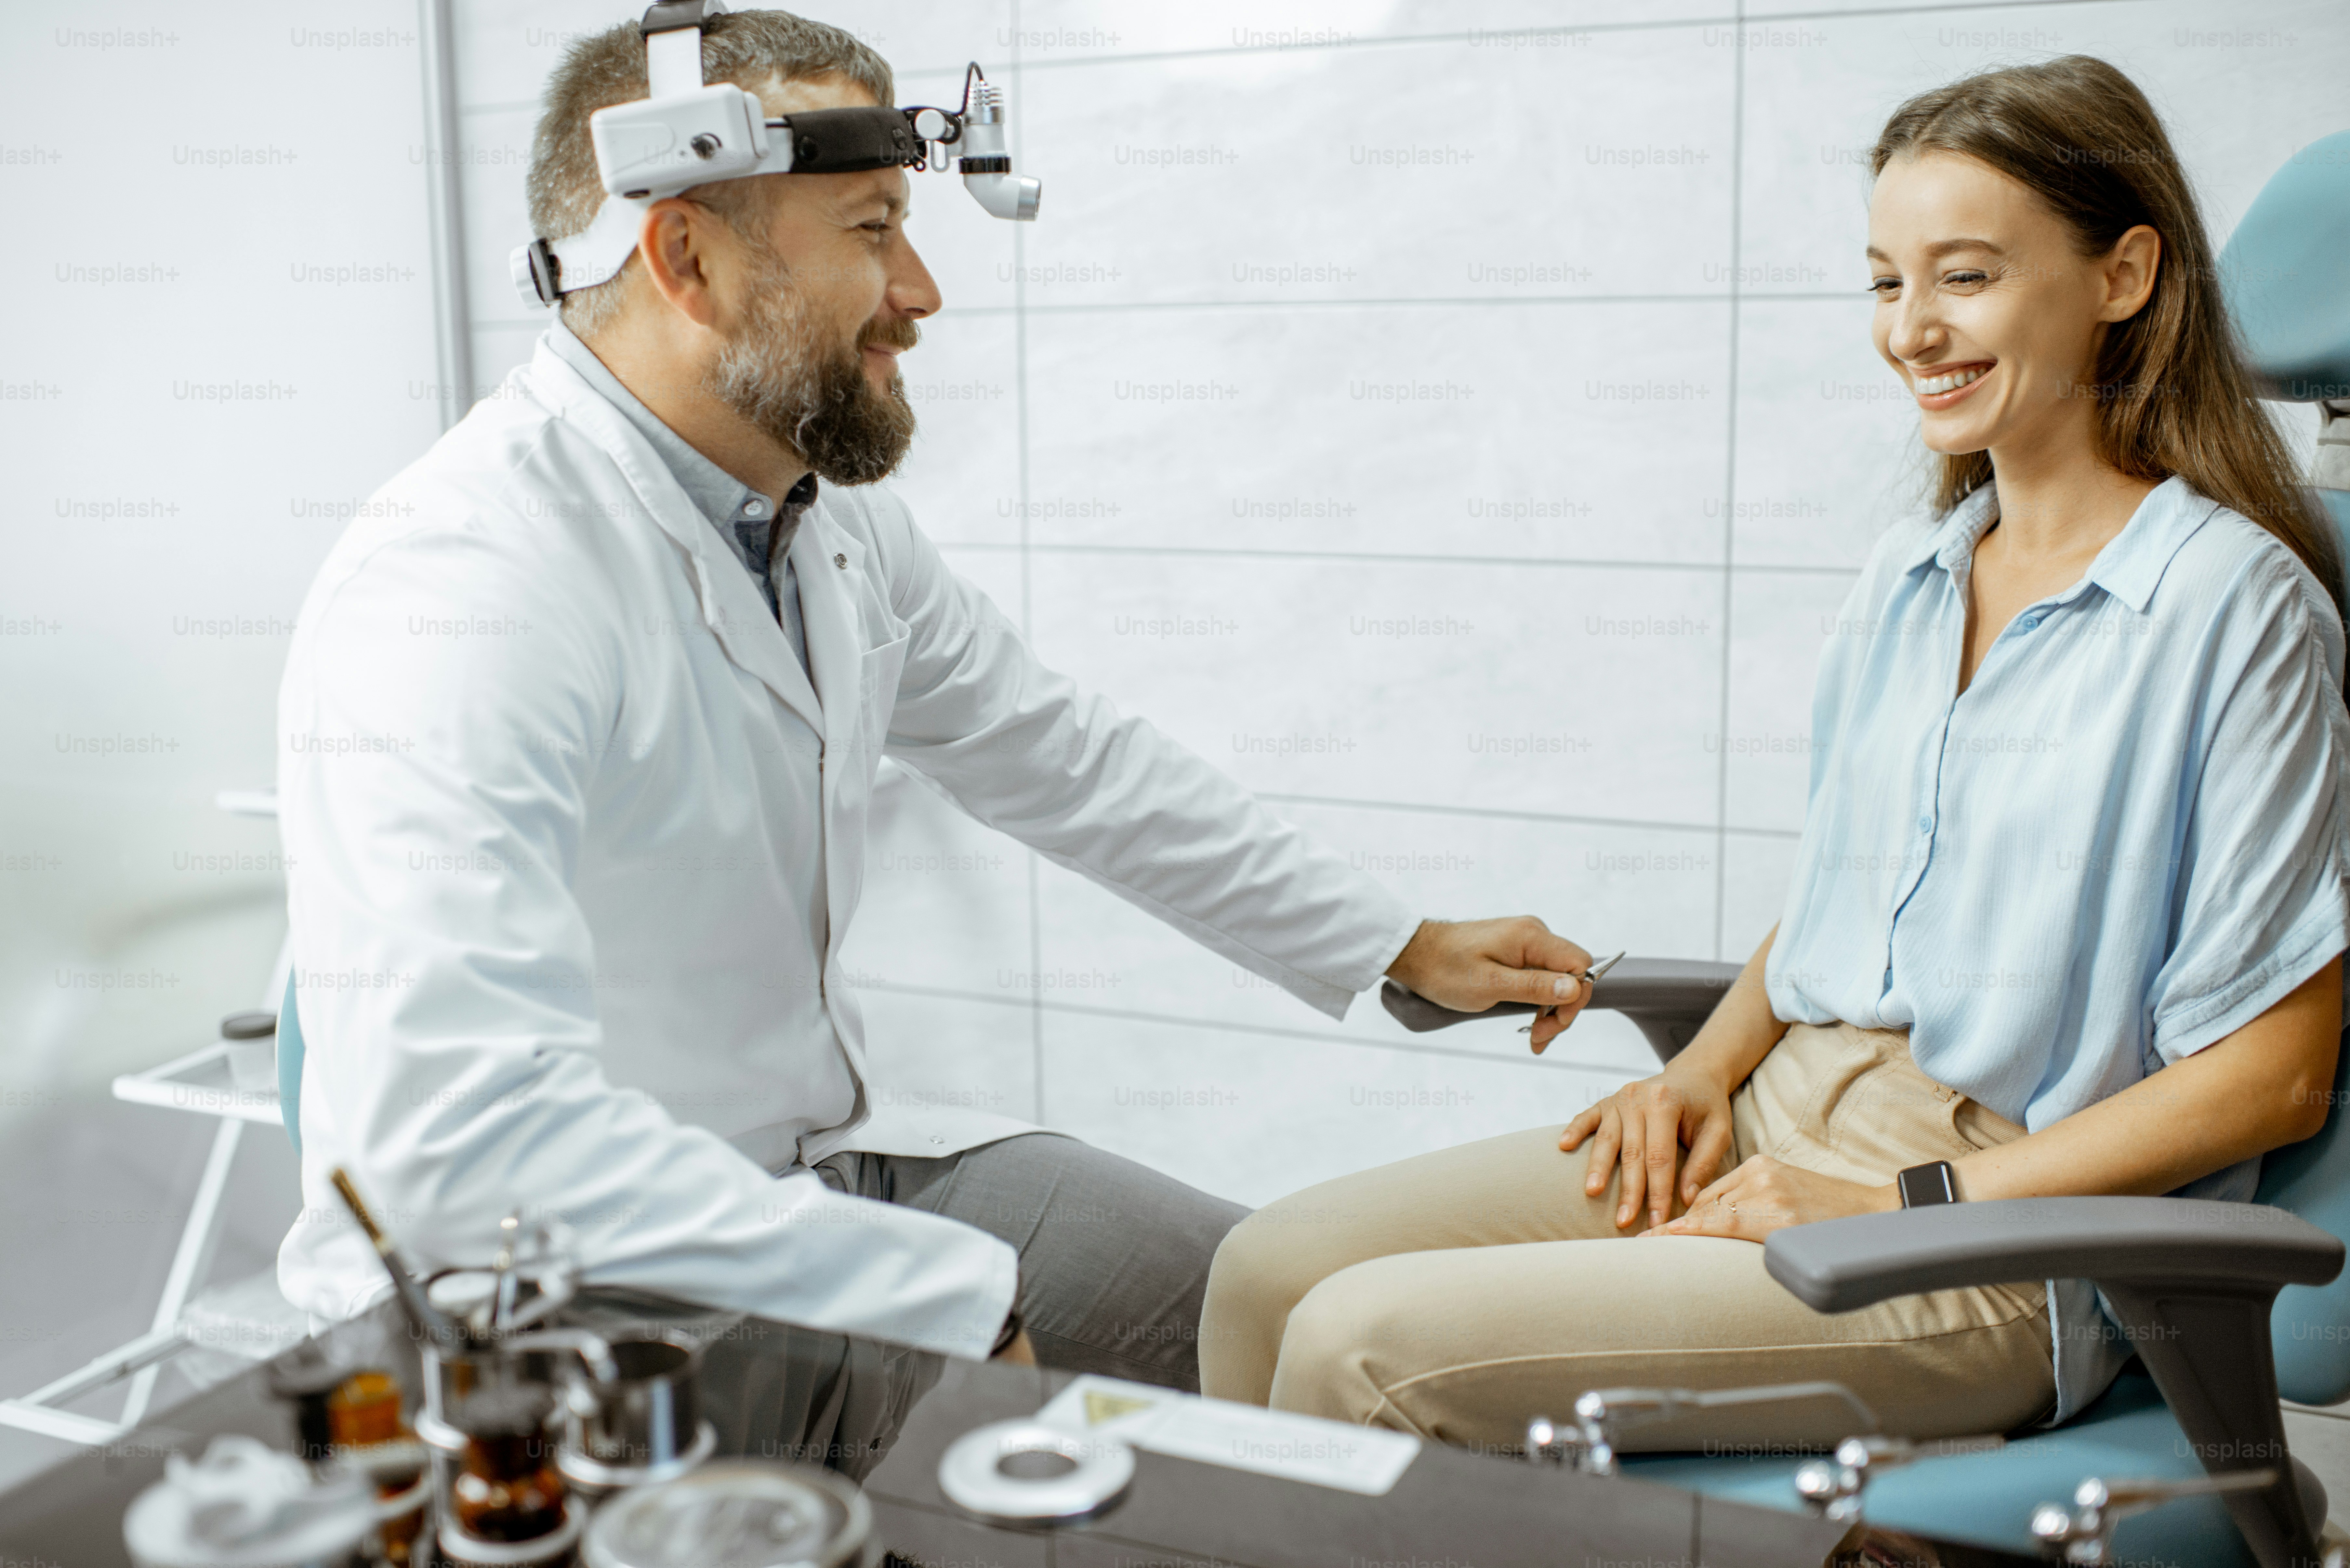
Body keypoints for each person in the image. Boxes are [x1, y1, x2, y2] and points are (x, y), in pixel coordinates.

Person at [274, 8, 1603, 1403]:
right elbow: (455, 1146)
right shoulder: (463, 589)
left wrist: (1396, 941)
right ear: (687, 259)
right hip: (554, 1321)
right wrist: (929, 1292)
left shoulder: (819, 527)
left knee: (1298, 1324)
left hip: (811, 1180)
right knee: (1147, 1474)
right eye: (869, 230)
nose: (920, 290)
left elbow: (1064, 759)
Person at [1199, 54, 2349, 1451]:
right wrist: (1699, 1077)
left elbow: (2270, 1076)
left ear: (2122, 276)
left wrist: (1899, 1205)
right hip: (1778, 1115)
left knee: (1357, 1349)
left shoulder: (2235, 609)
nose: (1910, 330)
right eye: (1885, 282)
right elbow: (1838, 904)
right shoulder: (1913, 576)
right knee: (1267, 1273)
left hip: (2000, 1229)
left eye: (1965, 277)